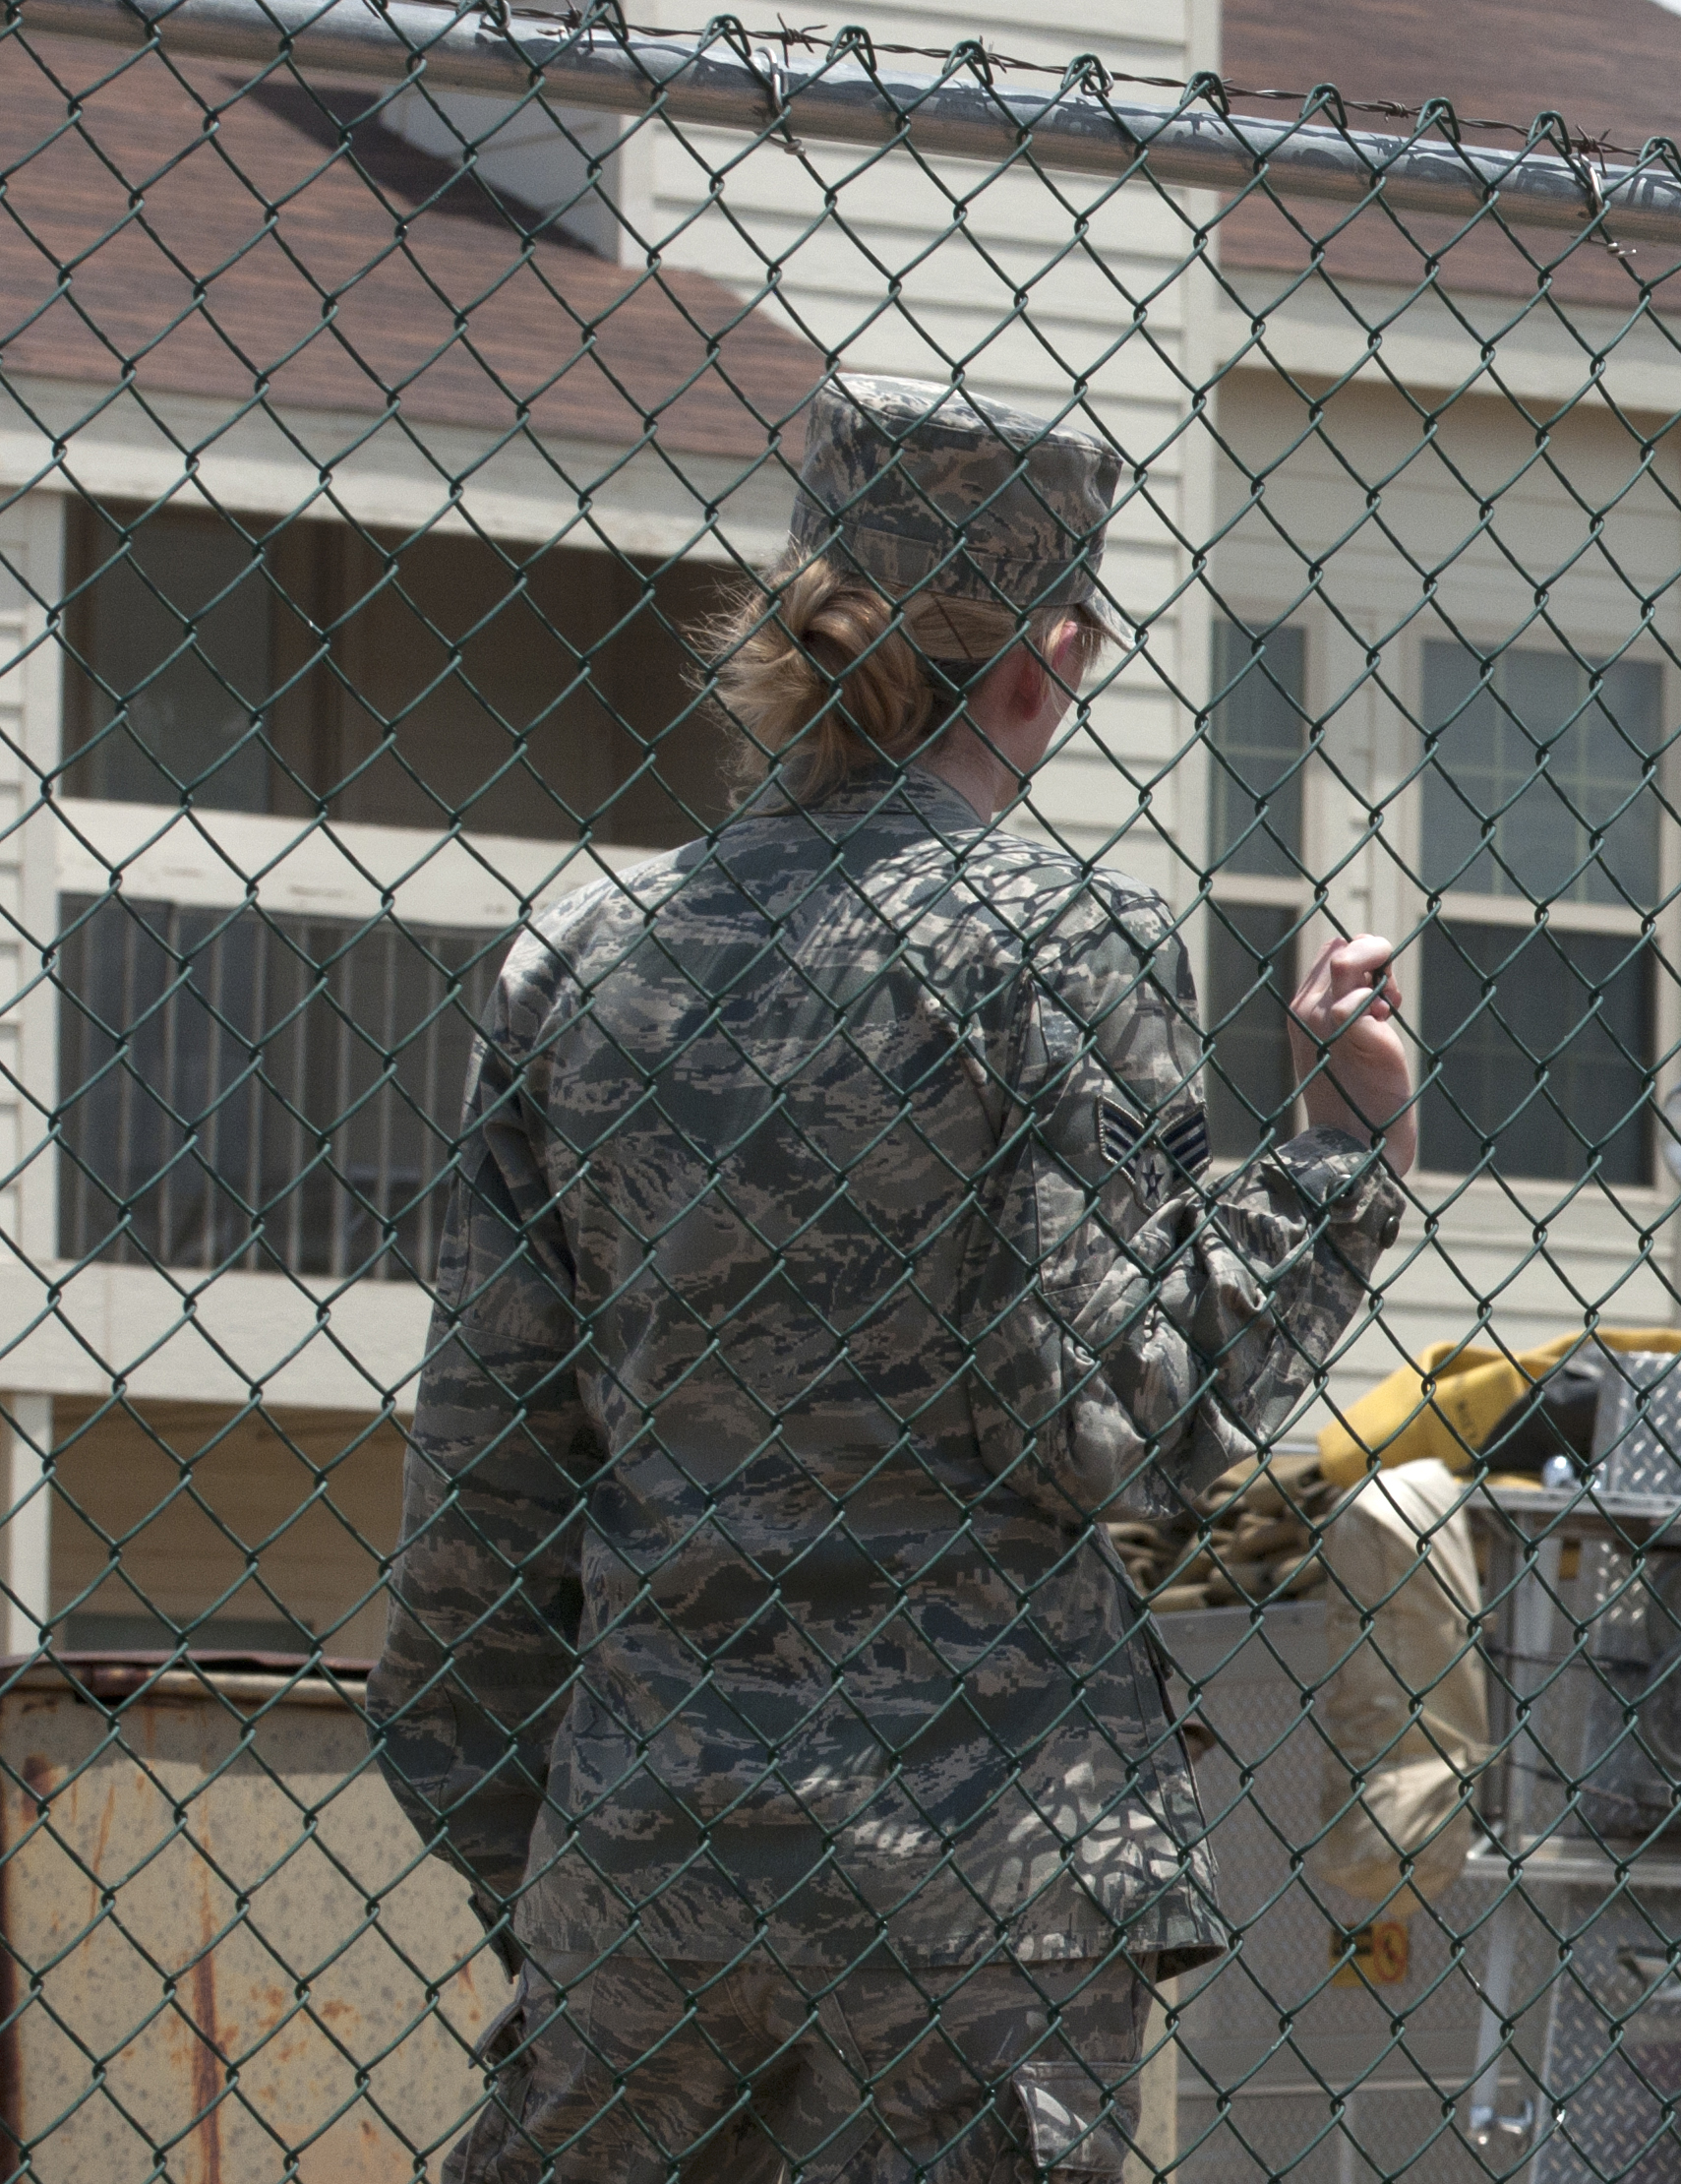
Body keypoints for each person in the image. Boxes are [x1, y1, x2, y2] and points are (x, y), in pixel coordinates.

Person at [372, 373, 1418, 2182]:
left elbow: (484, 1494)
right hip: (980, 1878)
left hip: (651, 1851)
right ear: (1051, 655)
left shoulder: (591, 962)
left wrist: (569, 1871)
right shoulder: (1055, 949)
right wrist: (1338, 1163)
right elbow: (1121, 1420)